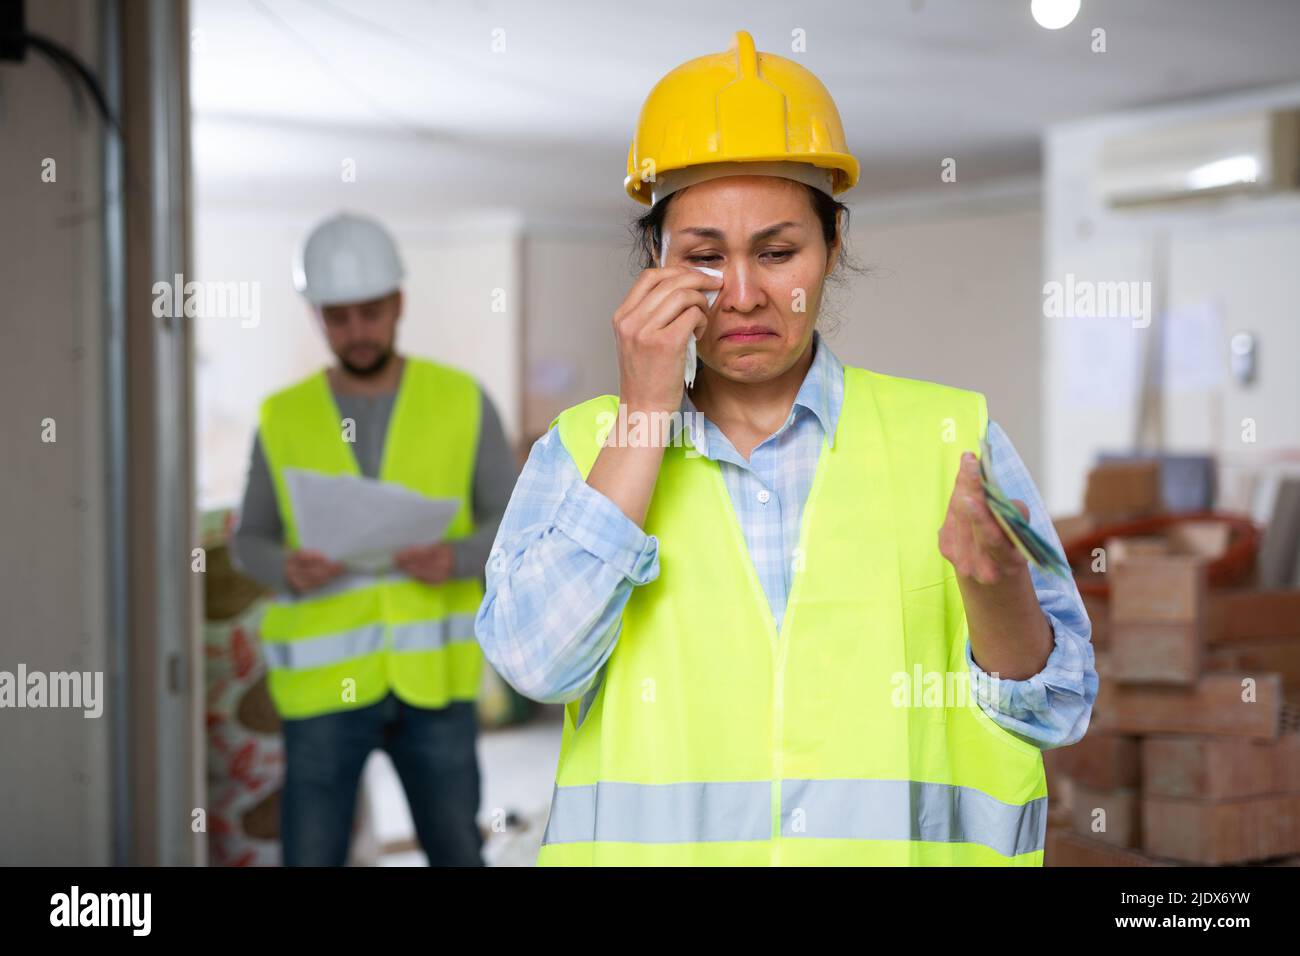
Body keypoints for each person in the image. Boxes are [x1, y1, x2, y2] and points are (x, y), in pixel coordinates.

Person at [475, 32, 1096, 866]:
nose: (742, 294)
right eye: (703, 256)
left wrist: (998, 593)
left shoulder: (950, 436)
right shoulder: (585, 445)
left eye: (777, 252)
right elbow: (535, 666)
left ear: (832, 244)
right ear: (655, 257)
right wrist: (644, 414)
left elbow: (1057, 711)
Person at [232, 211, 515, 866]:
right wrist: (285, 568)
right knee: (311, 857)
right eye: (338, 317)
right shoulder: (283, 415)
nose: (356, 332)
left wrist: (457, 556)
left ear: (397, 303)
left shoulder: (462, 400)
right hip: (326, 693)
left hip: (433, 685)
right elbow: (250, 539)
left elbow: (510, 519)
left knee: (455, 852)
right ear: (317, 316)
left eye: (369, 312)